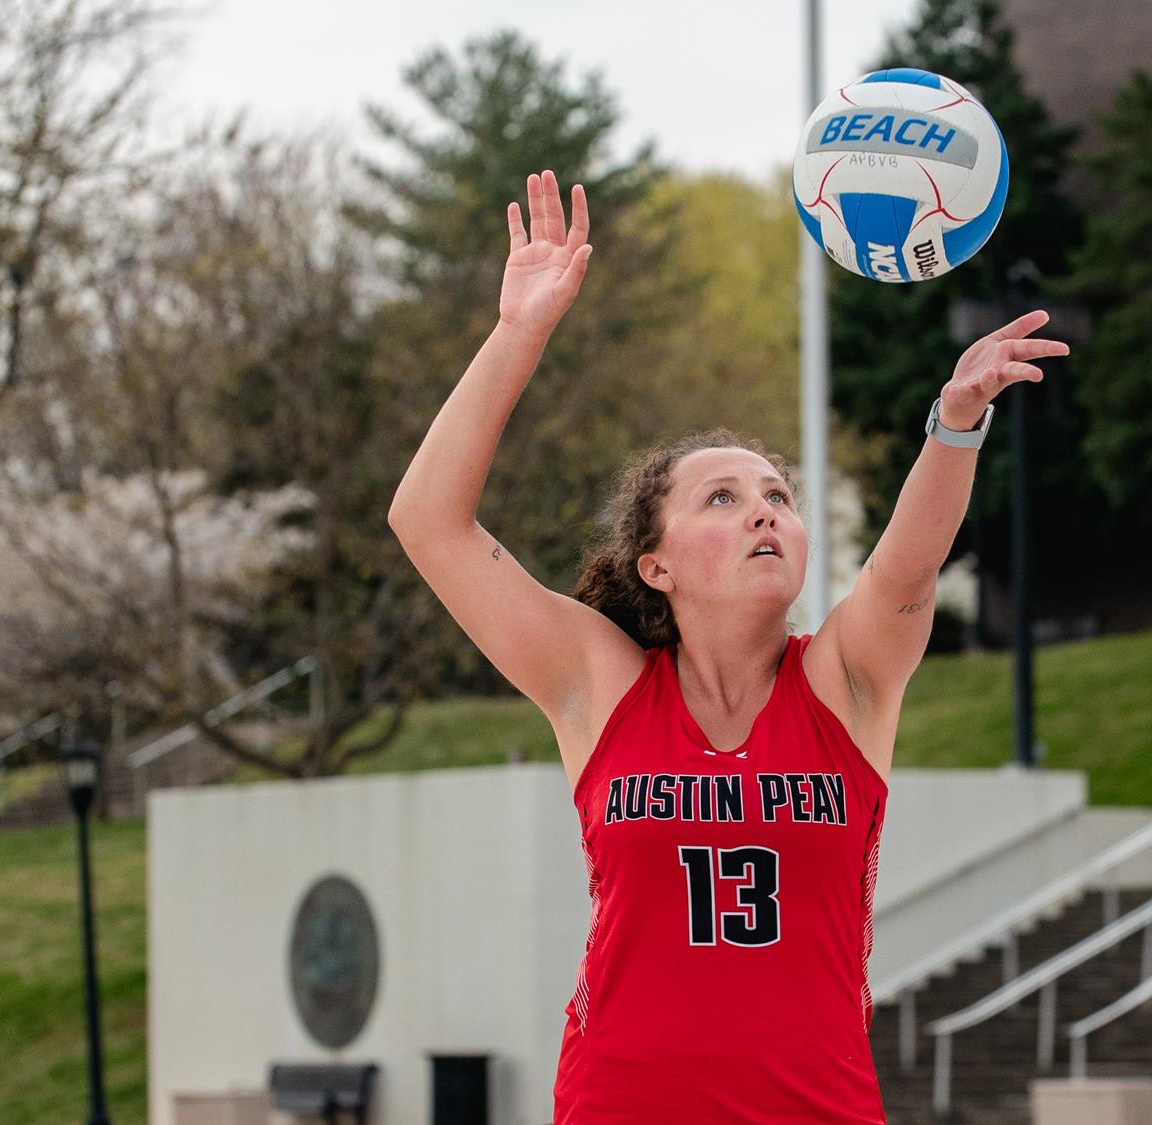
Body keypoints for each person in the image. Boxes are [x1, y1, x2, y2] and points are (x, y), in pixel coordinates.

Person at [387, 169, 1066, 1123]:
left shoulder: (844, 683)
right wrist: (518, 331)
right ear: (656, 564)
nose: (764, 511)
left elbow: (906, 571)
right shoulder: (601, 682)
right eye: (724, 497)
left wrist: (954, 426)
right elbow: (428, 521)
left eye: (779, 497)